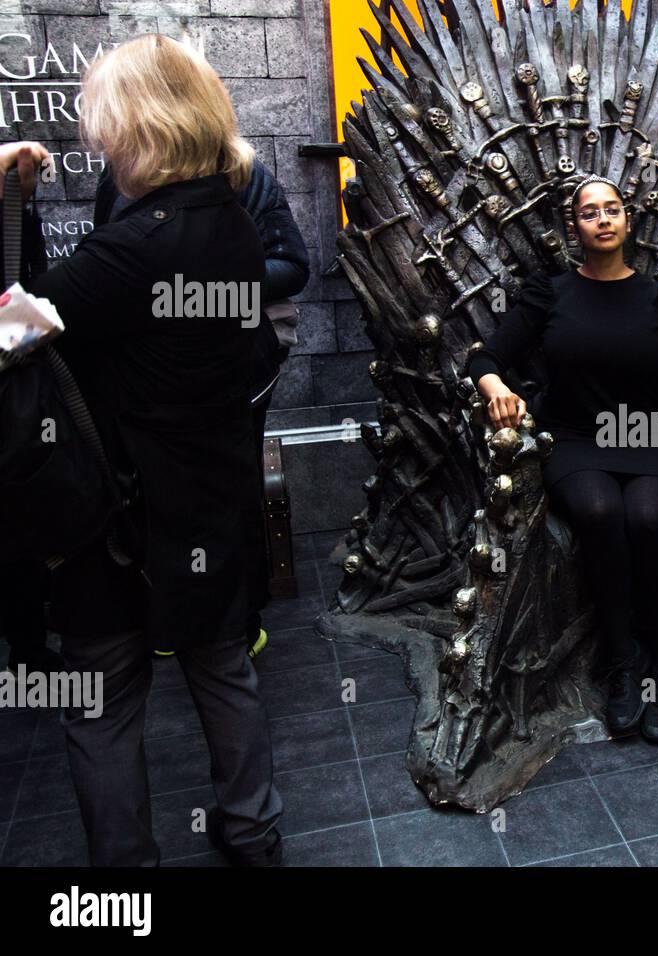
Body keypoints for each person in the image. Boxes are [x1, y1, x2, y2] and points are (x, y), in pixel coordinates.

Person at [0, 34, 284, 866]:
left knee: (103, 703)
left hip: (121, 523)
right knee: (224, 674)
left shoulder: (130, 249)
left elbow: (10, 331)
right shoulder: (227, 222)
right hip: (210, 502)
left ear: (136, 128)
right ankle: (255, 837)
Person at [465, 174, 658, 744]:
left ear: (627, 221)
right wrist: (495, 388)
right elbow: (485, 355)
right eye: (590, 212)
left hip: (653, 432)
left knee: (651, 517)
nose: (603, 219)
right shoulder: (549, 293)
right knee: (601, 512)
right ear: (574, 228)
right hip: (578, 435)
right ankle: (622, 664)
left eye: (612, 209)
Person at [95, 157, 311, 660]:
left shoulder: (243, 174)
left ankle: (239, 618)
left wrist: (197, 286)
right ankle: (173, 615)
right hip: (150, 371)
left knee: (230, 489)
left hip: (233, 365)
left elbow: (291, 266)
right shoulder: (121, 177)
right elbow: (98, 275)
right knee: (155, 490)